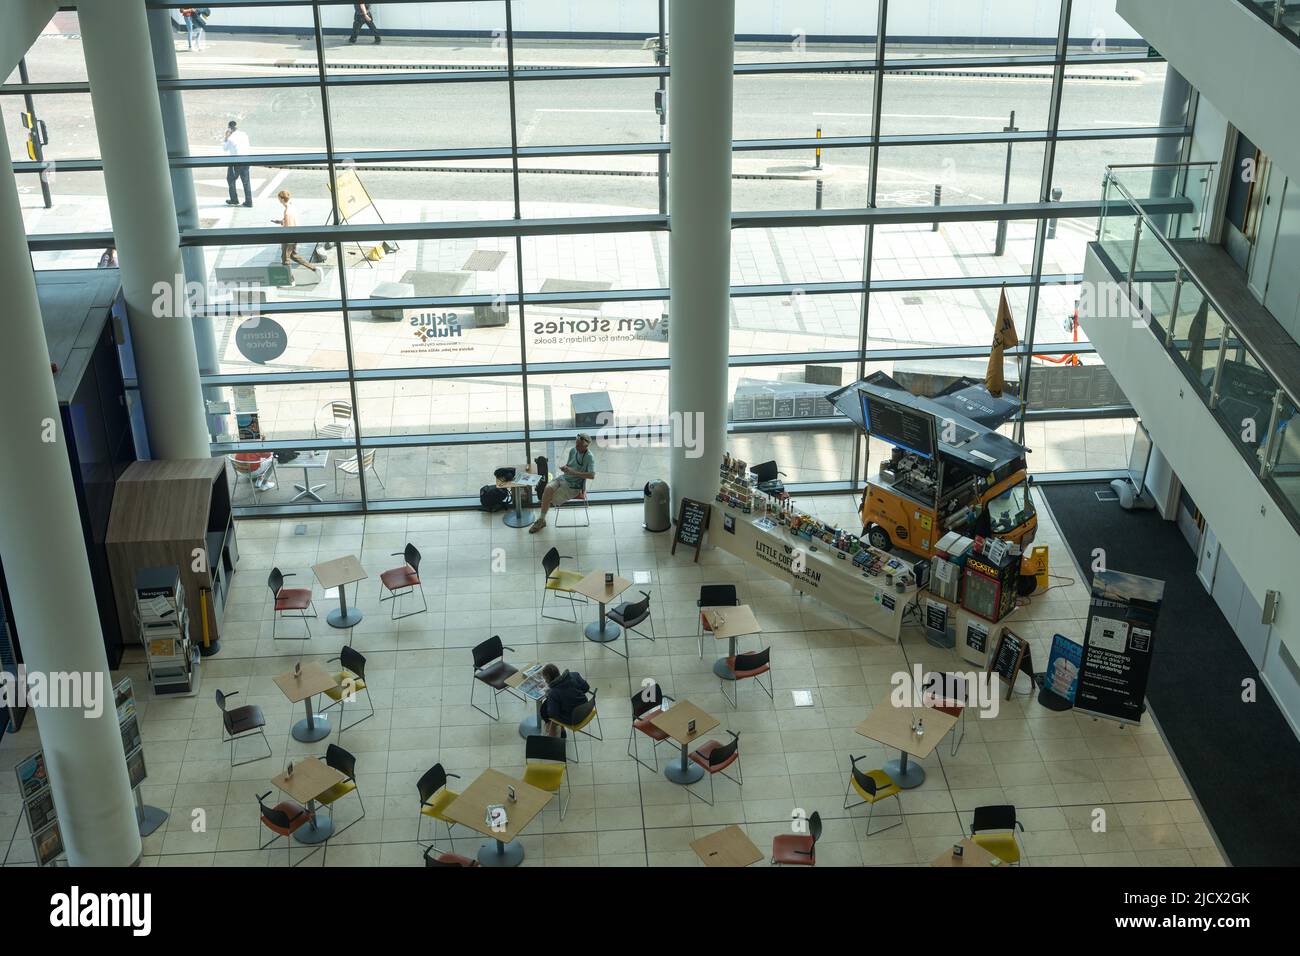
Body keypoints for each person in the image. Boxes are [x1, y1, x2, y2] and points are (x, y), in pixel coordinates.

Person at [529, 433, 595, 533]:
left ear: (586, 446)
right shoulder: (573, 451)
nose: (576, 447)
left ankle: (541, 520)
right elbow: (569, 465)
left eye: (579, 445)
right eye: (576, 444)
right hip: (564, 478)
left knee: (549, 498)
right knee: (548, 489)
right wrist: (565, 468)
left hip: (574, 486)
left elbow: (592, 476)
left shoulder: (589, 457)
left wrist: (573, 472)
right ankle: (541, 520)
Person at [272, 190, 318, 284]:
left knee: (285, 259)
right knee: (294, 256)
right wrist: (281, 221)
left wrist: (283, 232)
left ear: (281, 199)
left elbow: (288, 227)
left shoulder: (287, 212)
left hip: (288, 238)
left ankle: (290, 280)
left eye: (279, 199)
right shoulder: (291, 207)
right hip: (294, 236)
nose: (278, 200)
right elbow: (290, 222)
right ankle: (314, 269)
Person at [538, 664, 589, 735]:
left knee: (544, 710)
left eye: (545, 679)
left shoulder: (553, 693)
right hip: (586, 709)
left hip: (573, 719)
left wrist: (549, 697)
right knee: (560, 703)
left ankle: (553, 731)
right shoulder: (574, 675)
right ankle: (560, 729)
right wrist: (573, 694)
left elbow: (553, 714)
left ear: (548, 678)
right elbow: (586, 688)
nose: (545, 681)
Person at [222, 121, 252, 207]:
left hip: (235, 162)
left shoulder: (231, 138)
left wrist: (226, 137)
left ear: (230, 128)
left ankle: (234, 199)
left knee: (230, 179)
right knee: (246, 181)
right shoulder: (244, 134)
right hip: (246, 160)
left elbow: (225, 148)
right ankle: (249, 201)